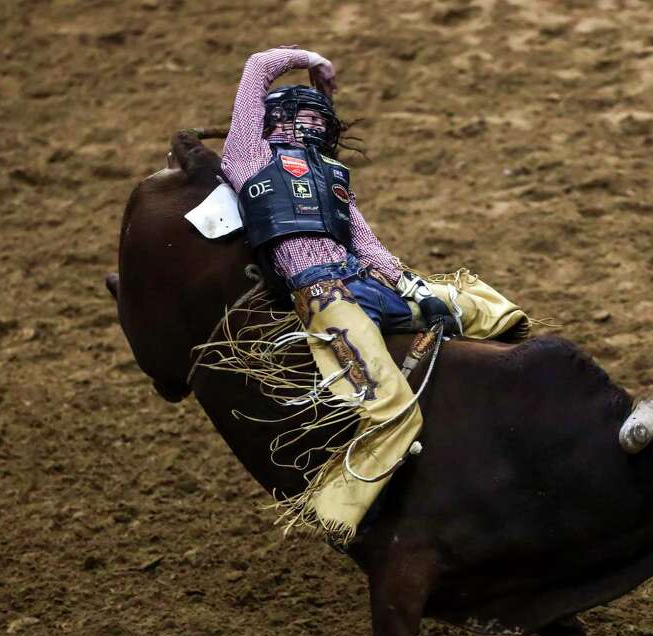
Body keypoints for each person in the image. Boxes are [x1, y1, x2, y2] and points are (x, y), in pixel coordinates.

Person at [221, 46, 529, 541]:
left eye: (316, 115)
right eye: (301, 115)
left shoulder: (333, 177)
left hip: (366, 285)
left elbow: (365, 243)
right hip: (324, 298)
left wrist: (418, 290)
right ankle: (329, 512)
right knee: (392, 411)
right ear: (272, 120)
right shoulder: (249, 155)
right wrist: (309, 59)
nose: (312, 124)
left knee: (480, 306)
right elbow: (257, 64)